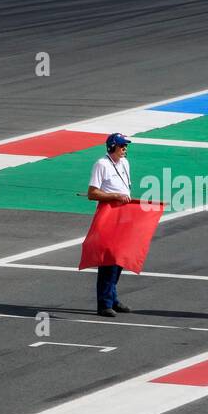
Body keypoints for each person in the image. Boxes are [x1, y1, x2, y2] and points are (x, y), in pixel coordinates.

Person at [87, 133, 133, 317]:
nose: (125, 149)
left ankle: (112, 297)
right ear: (112, 147)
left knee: (119, 258)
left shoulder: (125, 164)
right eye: (122, 146)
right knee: (108, 260)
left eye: (125, 146)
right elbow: (92, 193)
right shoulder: (102, 164)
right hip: (109, 214)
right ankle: (104, 303)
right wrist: (114, 196)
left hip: (124, 213)